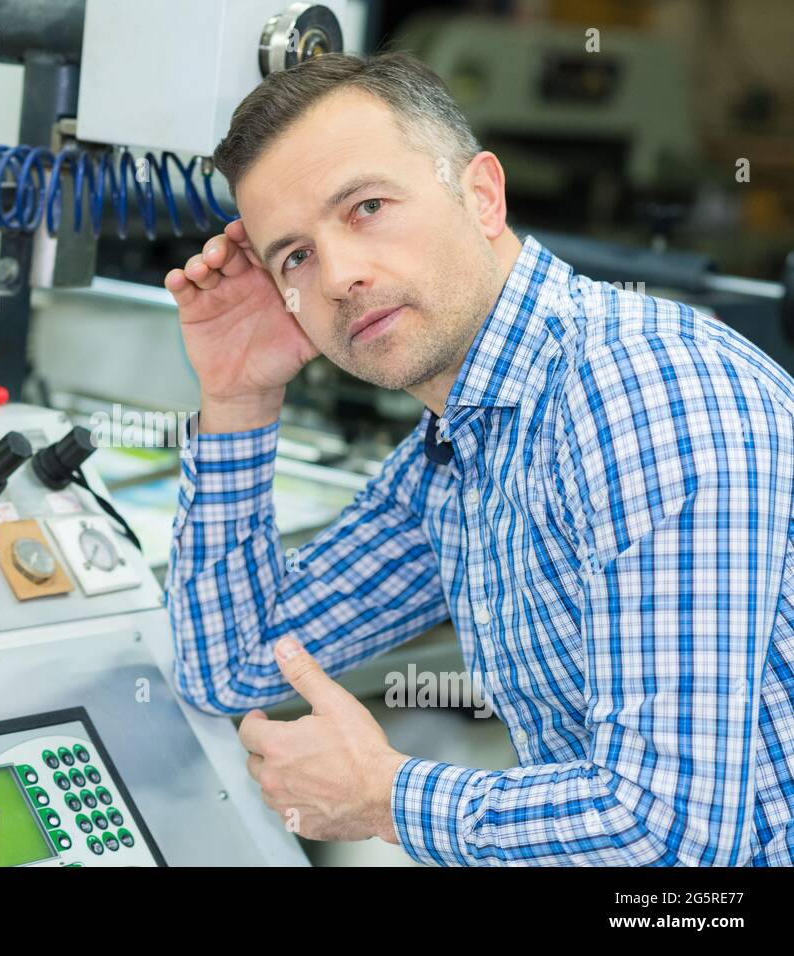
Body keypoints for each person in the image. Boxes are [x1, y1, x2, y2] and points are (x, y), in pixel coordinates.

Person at [163, 51, 794, 866]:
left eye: (367, 207)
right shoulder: (460, 450)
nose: (341, 276)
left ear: (482, 196)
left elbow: (672, 830)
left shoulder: (635, 387)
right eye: (296, 258)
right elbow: (231, 662)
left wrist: (383, 796)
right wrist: (239, 396)